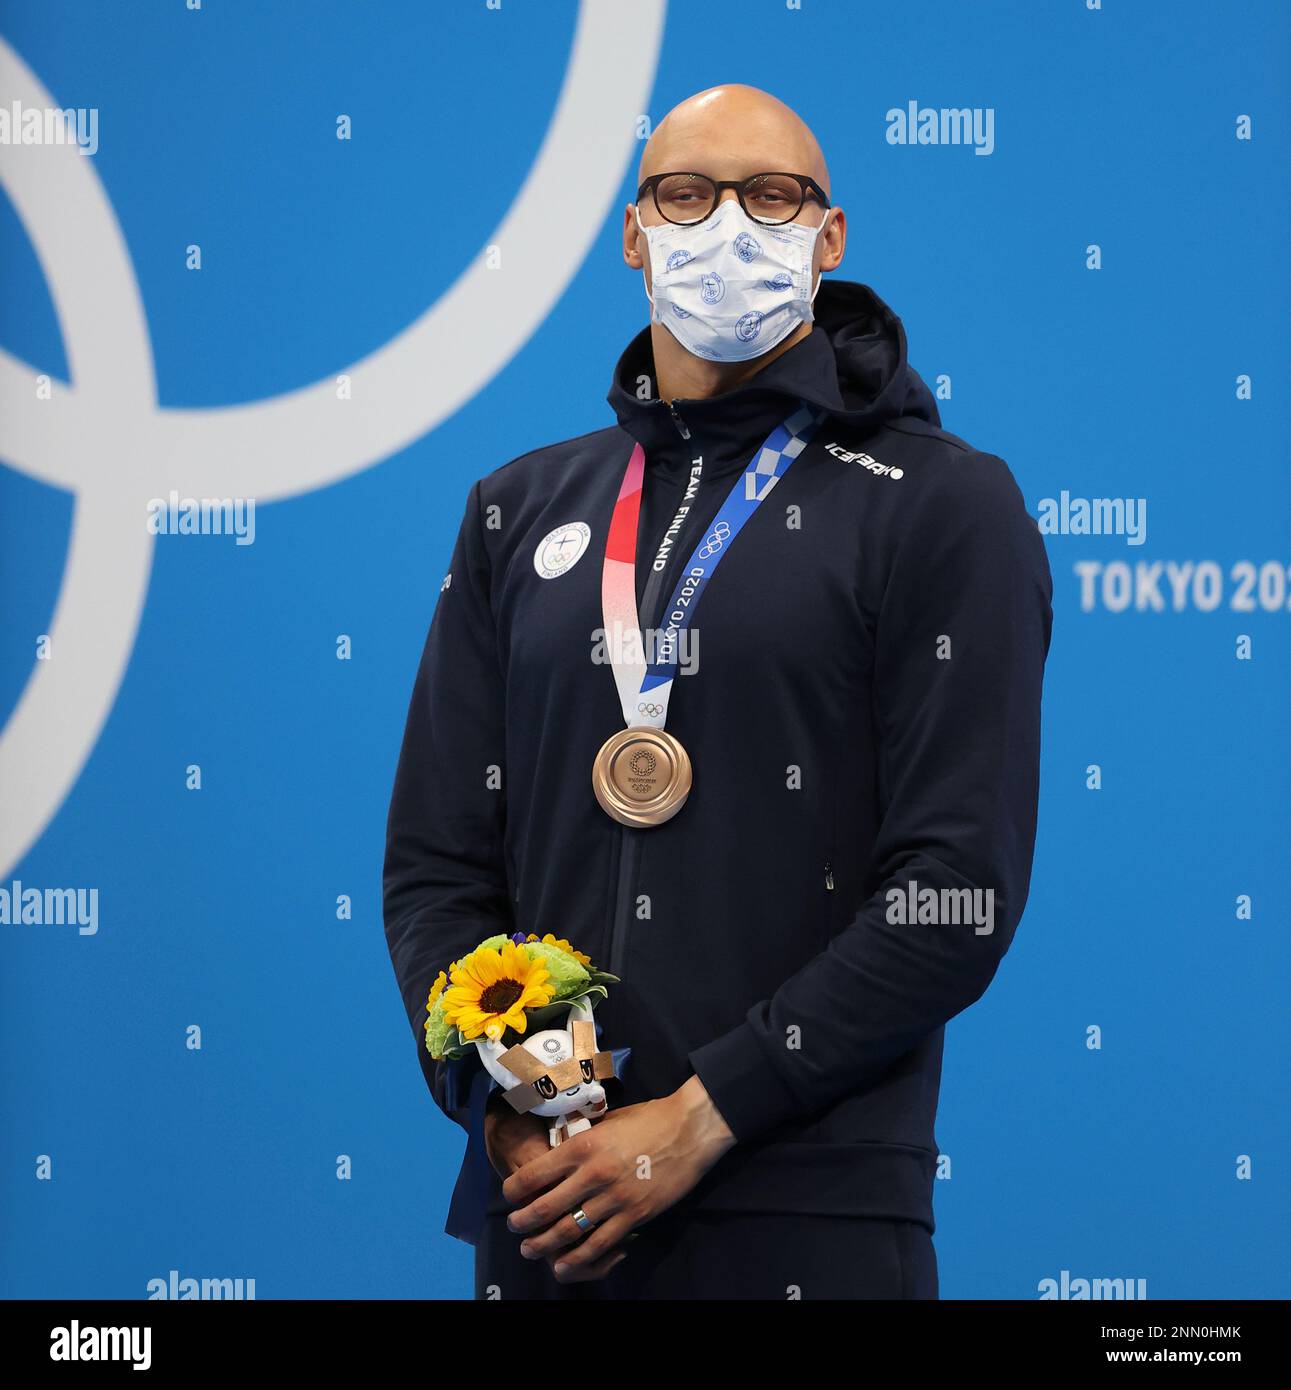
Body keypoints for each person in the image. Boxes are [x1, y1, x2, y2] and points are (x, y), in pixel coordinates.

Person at [383, 83, 1053, 1300]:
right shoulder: (517, 507)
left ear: (828, 237)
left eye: (771, 195)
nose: (727, 226)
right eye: (686, 195)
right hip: (548, 1213)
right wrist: (506, 1105)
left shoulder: (941, 503)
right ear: (633, 233)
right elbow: (436, 864)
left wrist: (702, 1116)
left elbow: (955, 888)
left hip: (809, 1209)